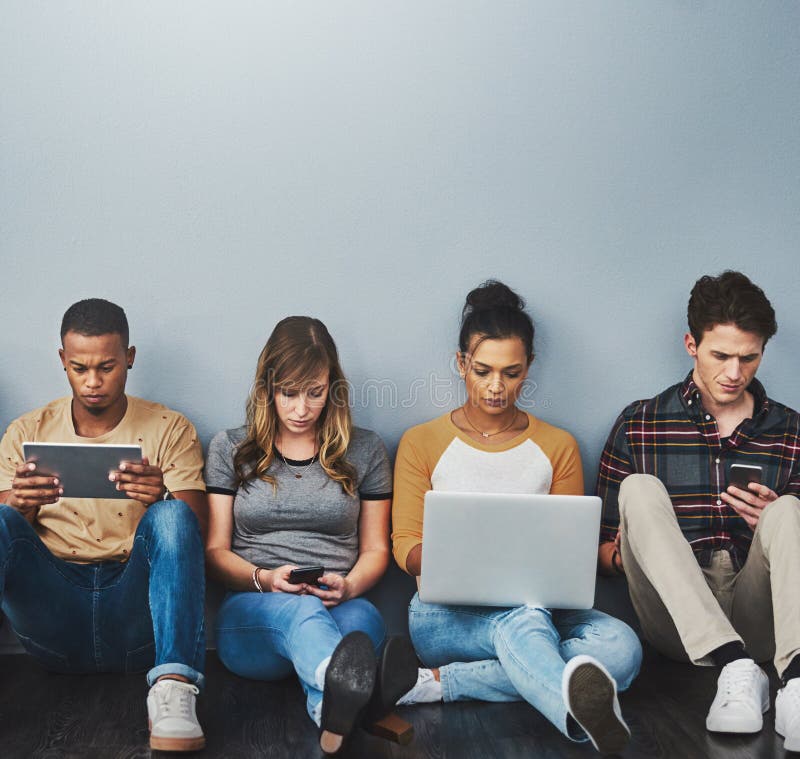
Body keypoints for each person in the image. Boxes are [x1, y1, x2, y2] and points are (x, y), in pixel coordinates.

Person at [391, 281, 642, 754]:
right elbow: (404, 545)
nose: (495, 386)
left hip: (543, 610)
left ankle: (439, 684)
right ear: (461, 363)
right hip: (444, 616)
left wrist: (617, 555)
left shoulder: (557, 445)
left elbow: (571, 553)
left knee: (622, 649)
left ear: (529, 369)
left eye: (511, 372)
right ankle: (571, 707)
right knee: (527, 621)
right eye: (482, 370)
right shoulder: (421, 441)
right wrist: (468, 553)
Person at [596, 270, 800, 750]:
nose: (734, 373)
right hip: (676, 622)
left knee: (790, 509)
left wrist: (770, 521)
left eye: (748, 358)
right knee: (641, 489)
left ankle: (795, 684)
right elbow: (596, 554)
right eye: (721, 355)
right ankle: (732, 666)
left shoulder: (791, 431)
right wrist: (633, 552)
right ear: (691, 343)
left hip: (762, 614)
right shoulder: (640, 422)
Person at [0, 298, 207, 752]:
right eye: (79, 368)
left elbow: (196, 531)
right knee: (0, 516)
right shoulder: (26, 430)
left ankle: (173, 687)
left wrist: (162, 496)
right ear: (62, 361)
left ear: (129, 358)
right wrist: (20, 504)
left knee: (173, 515)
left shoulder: (170, 428)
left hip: (134, 615)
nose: (92, 382)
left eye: (107, 367)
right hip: (54, 614)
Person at [204, 316, 417, 755]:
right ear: (267, 389)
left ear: (333, 389)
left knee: (364, 623)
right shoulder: (230, 448)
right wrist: (265, 578)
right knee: (299, 615)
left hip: (337, 606)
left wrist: (351, 585)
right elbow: (215, 552)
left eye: (314, 393)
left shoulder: (366, 450)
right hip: (254, 614)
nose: (301, 408)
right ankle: (360, 695)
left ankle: (330, 710)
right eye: (288, 393)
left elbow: (376, 548)